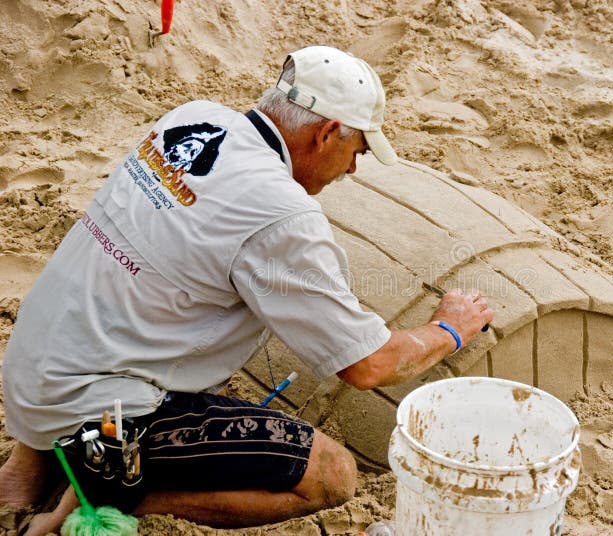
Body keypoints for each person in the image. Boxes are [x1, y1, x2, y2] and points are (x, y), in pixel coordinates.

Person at [0, 45, 494, 533]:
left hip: (31, 368)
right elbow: (369, 364)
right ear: (326, 134)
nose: (352, 170)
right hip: (104, 418)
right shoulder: (281, 214)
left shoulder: (192, 118)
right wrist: (448, 329)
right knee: (331, 476)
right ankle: (116, 493)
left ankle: (28, 471)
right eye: (356, 151)